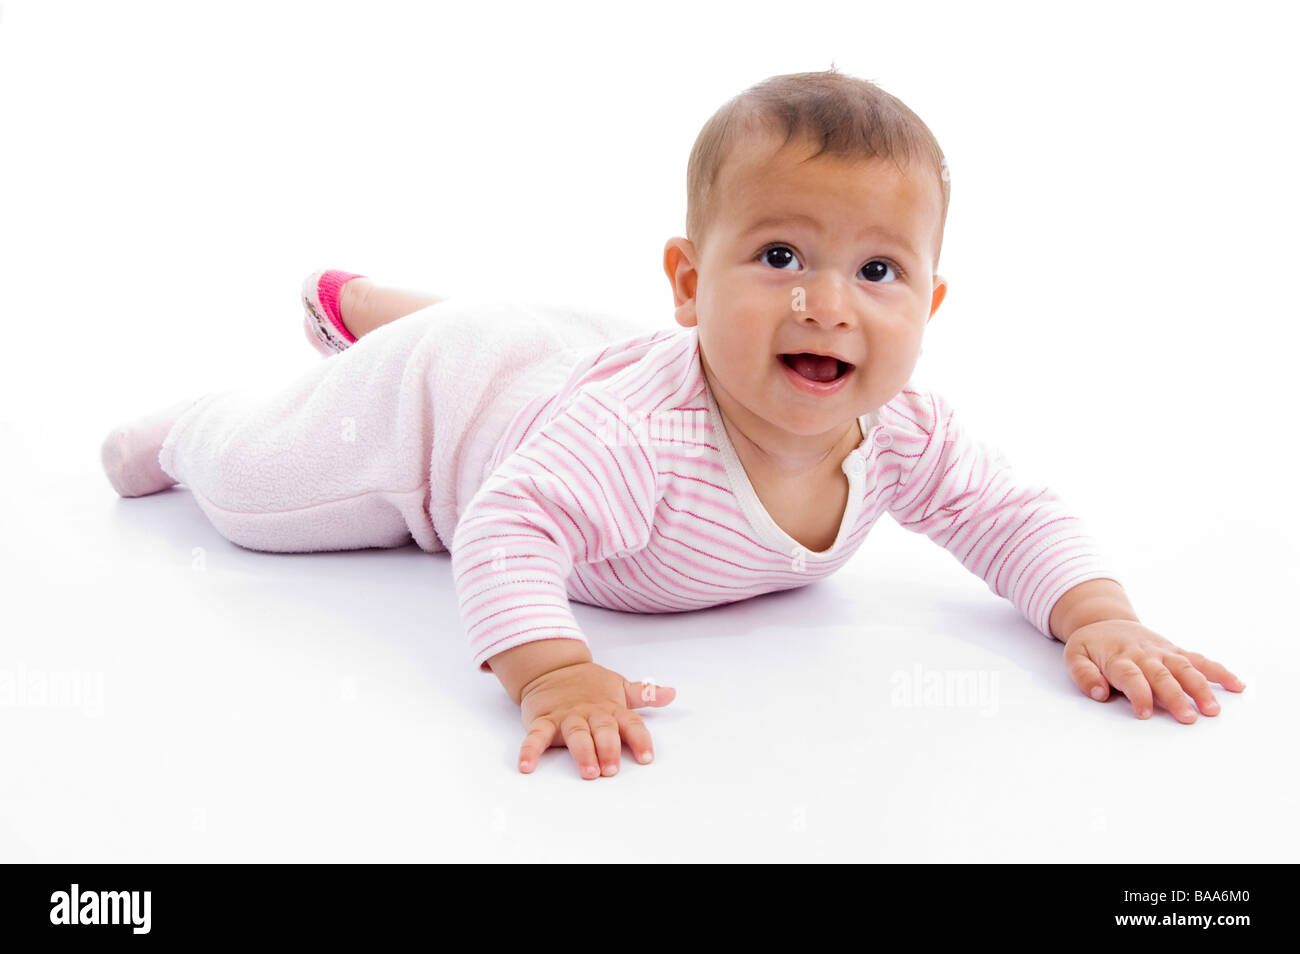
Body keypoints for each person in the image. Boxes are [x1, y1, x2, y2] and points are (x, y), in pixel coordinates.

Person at [99, 68, 1245, 781]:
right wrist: (552, 672)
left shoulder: (903, 433)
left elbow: (1009, 512)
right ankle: (216, 417)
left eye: (878, 269)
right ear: (690, 282)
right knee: (259, 494)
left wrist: (1098, 615)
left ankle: (375, 308)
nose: (825, 302)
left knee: (531, 334)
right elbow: (507, 526)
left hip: (560, 359)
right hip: (449, 417)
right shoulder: (637, 442)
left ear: (929, 307)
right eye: (780, 255)